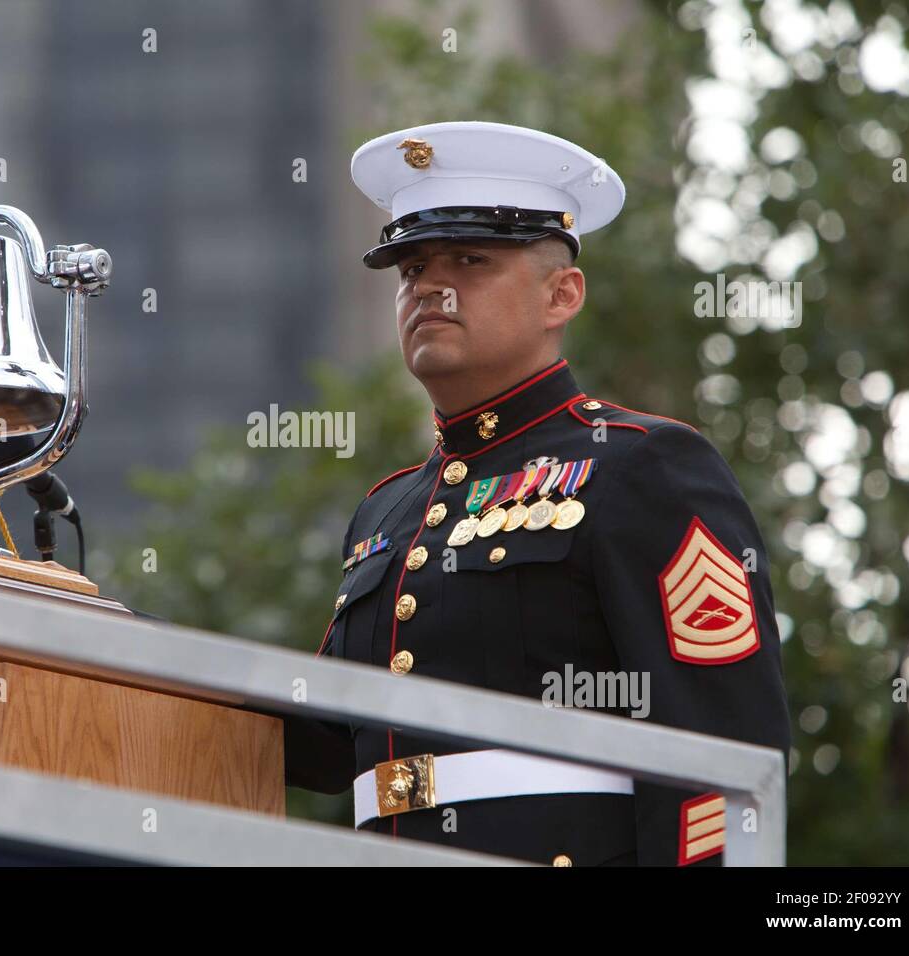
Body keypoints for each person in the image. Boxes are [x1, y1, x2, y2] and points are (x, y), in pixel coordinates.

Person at [283, 121, 791, 865]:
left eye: (469, 259)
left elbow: (724, 746)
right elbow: (324, 747)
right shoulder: (387, 510)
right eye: (410, 268)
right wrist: (112, 643)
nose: (429, 285)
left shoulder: (643, 468)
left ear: (562, 295)